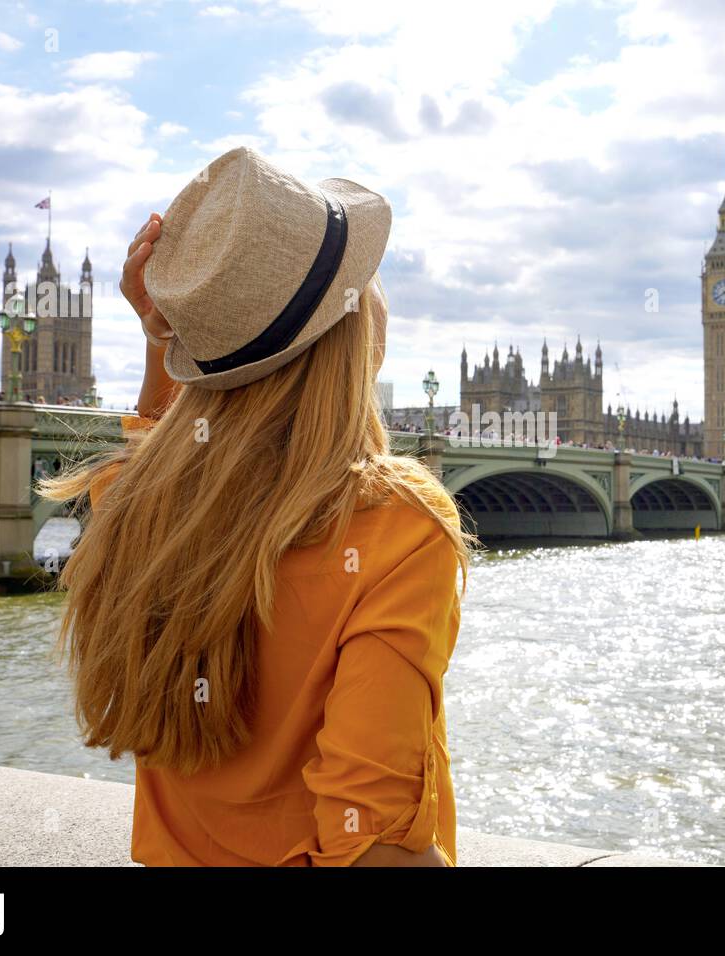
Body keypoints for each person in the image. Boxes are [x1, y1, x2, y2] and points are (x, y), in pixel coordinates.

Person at [40, 146, 470, 868]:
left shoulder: (134, 510)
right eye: (366, 275)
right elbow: (372, 850)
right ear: (347, 324)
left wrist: (170, 345)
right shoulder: (397, 527)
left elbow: (169, 453)